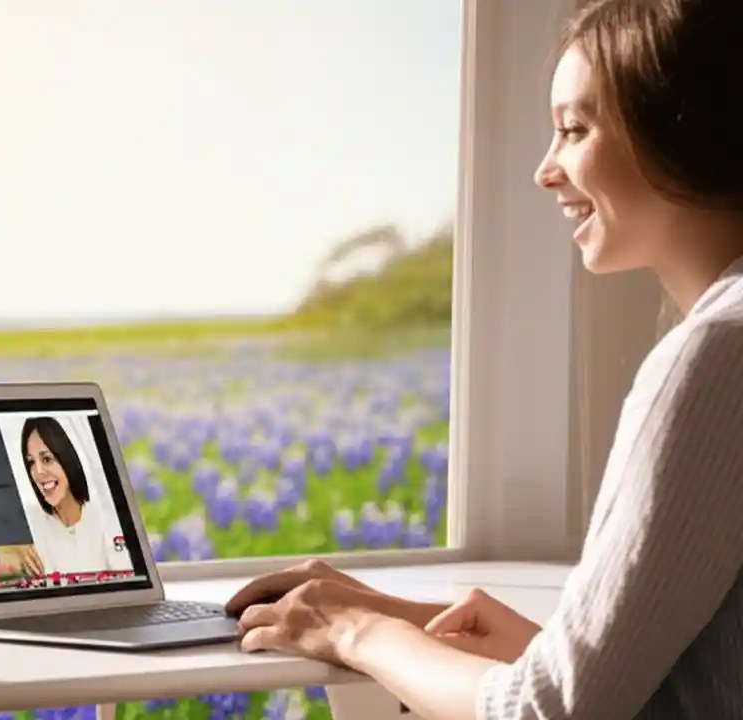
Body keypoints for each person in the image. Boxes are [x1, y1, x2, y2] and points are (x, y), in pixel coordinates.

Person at [225, 1, 743, 718]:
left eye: (574, 129)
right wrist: (428, 621)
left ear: (677, 126)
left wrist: (355, 630)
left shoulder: (716, 354)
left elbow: (548, 713)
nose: (545, 170)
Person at [19, 416, 129, 574]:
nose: (38, 472)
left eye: (47, 459)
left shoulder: (106, 519)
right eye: (31, 462)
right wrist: (14, 548)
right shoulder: (29, 520)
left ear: (68, 459)